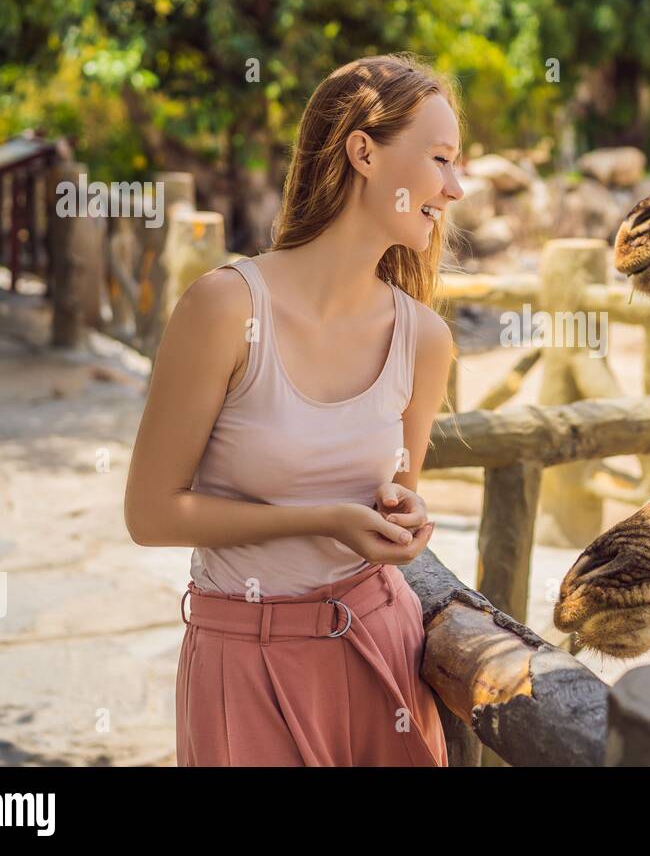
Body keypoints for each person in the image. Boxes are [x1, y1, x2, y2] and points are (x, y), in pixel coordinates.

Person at [124, 54, 462, 766]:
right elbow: (150, 514)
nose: (455, 188)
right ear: (363, 152)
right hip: (242, 665)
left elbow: (399, 493)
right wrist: (323, 519)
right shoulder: (225, 308)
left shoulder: (424, 339)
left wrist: (410, 516)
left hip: (382, 651)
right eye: (440, 159)